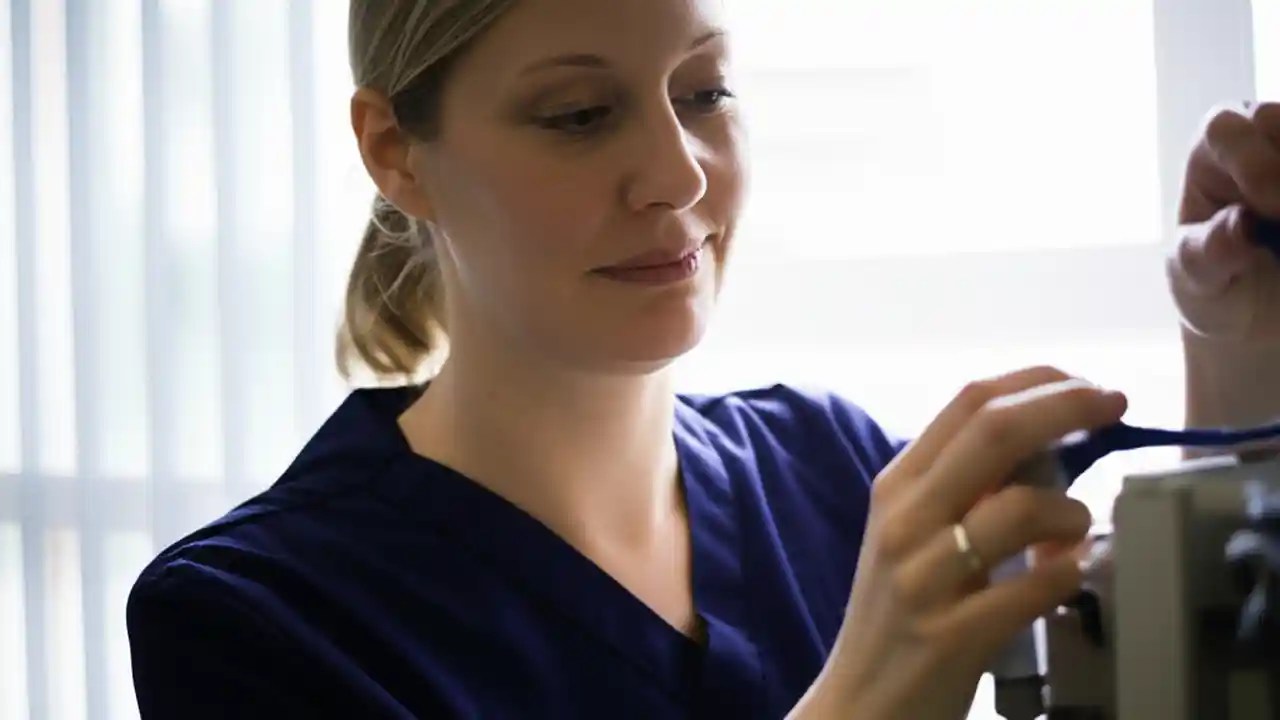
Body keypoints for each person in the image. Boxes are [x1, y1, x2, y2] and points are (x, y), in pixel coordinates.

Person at [124, 0, 1280, 718]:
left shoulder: (831, 472)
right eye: (579, 114)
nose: (677, 175)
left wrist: (1233, 355)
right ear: (397, 153)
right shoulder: (250, 624)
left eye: (702, 92)